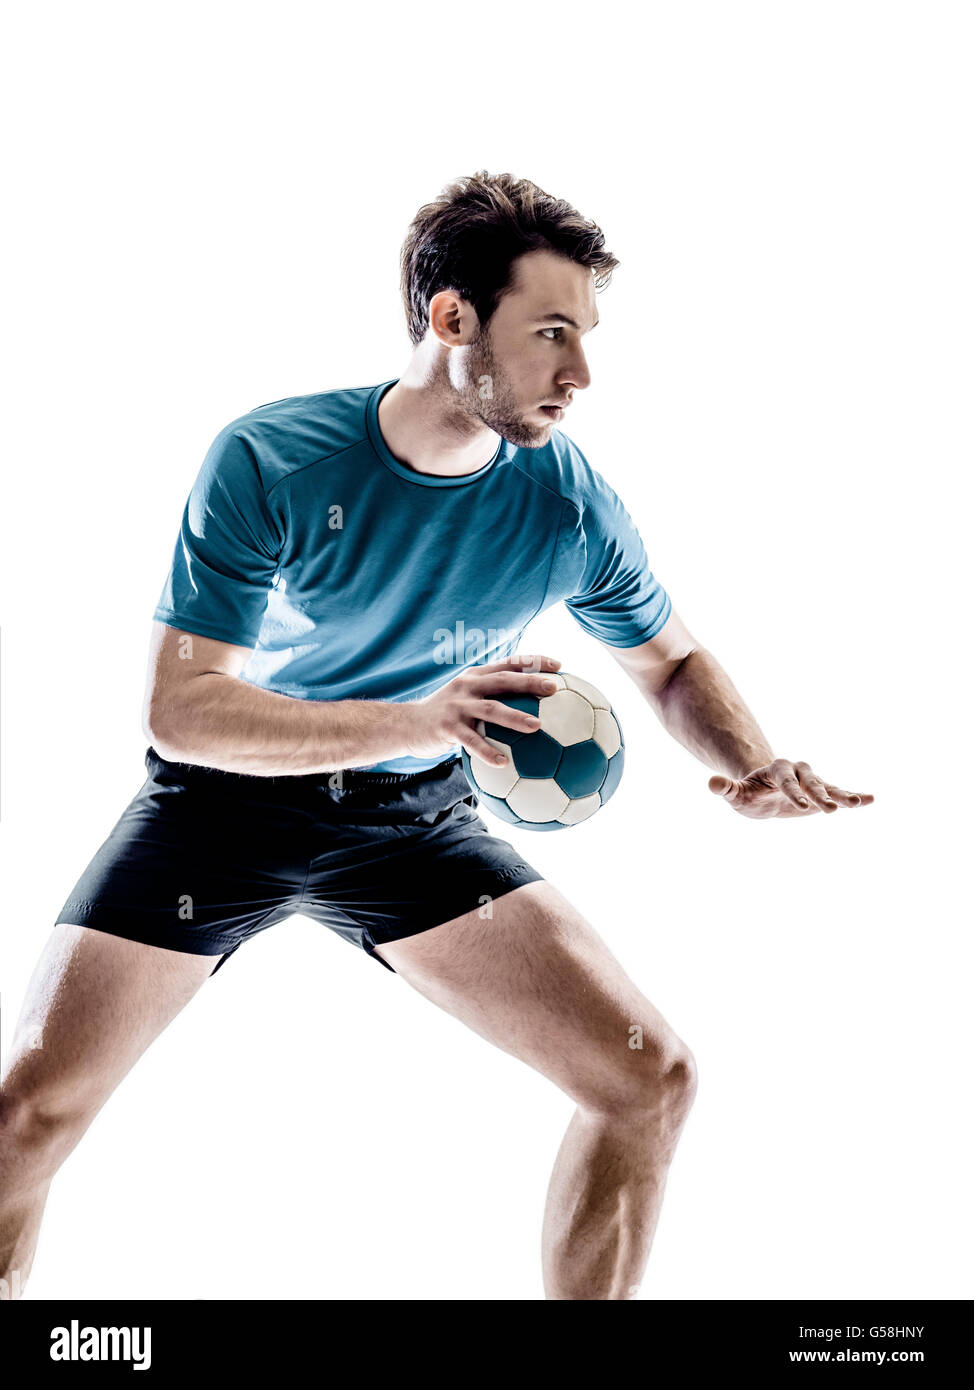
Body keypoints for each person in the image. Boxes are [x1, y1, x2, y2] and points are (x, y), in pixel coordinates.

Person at [0, 171, 873, 1302]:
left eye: (586, 335)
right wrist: (427, 711)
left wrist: (747, 761)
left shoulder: (564, 505)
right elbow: (183, 708)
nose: (581, 374)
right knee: (30, 1110)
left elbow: (670, 663)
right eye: (550, 332)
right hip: (220, 806)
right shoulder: (272, 458)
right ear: (450, 319)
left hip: (409, 823)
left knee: (647, 1079)